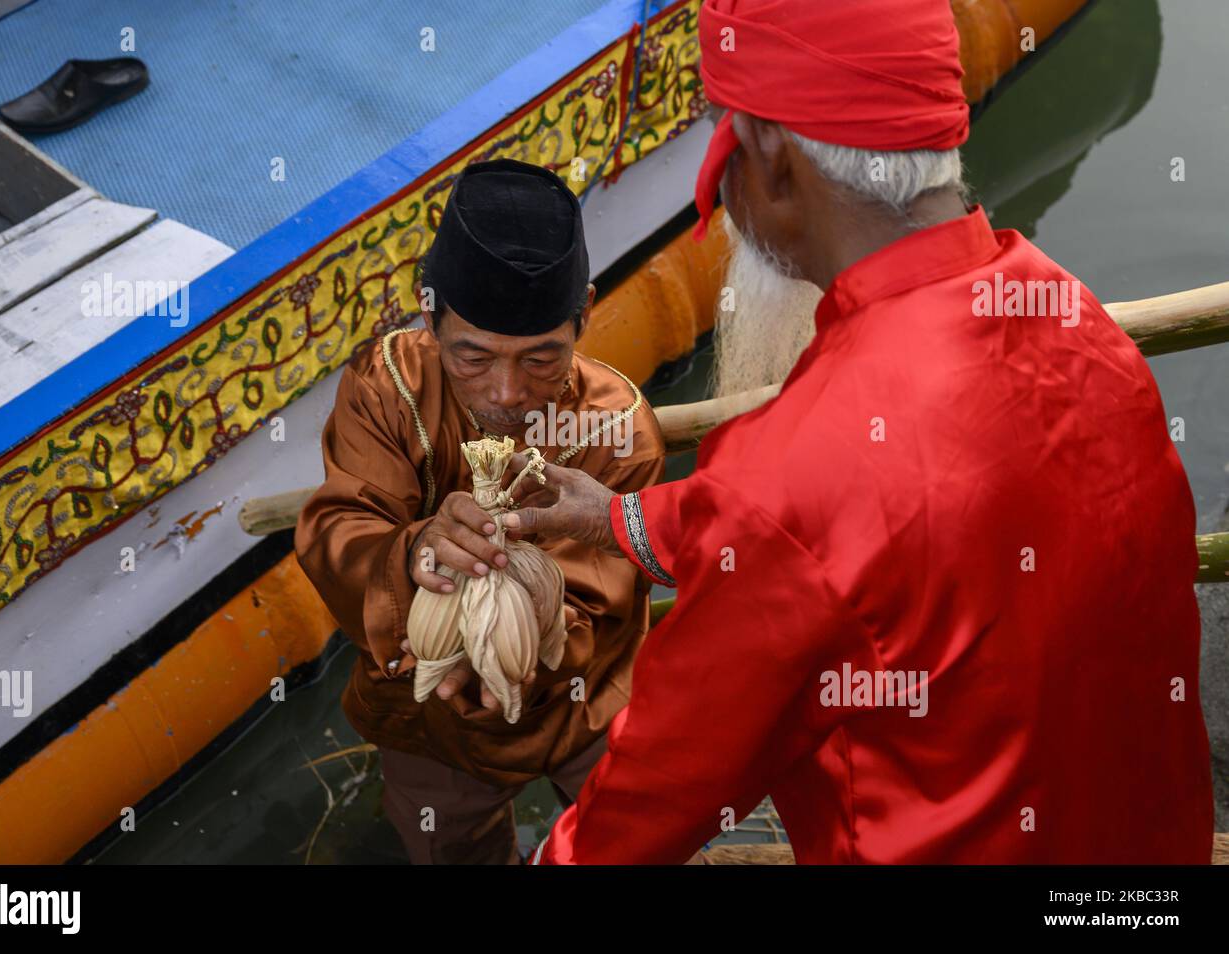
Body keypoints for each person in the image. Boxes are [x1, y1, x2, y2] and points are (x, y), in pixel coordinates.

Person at [508, 0, 1213, 864]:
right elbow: (836, 535)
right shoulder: (1076, 321)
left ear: (768, 159)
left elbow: (642, 811)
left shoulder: (792, 481)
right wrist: (616, 522)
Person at [294, 158, 665, 864]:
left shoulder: (616, 430)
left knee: (638, 843)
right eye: (473, 356)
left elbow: (594, 608)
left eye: (541, 359)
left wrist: (507, 637)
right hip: (430, 717)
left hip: (585, 705)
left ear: (584, 313)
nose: (506, 391)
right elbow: (342, 531)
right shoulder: (387, 389)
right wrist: (412, 553)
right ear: (428, 314)